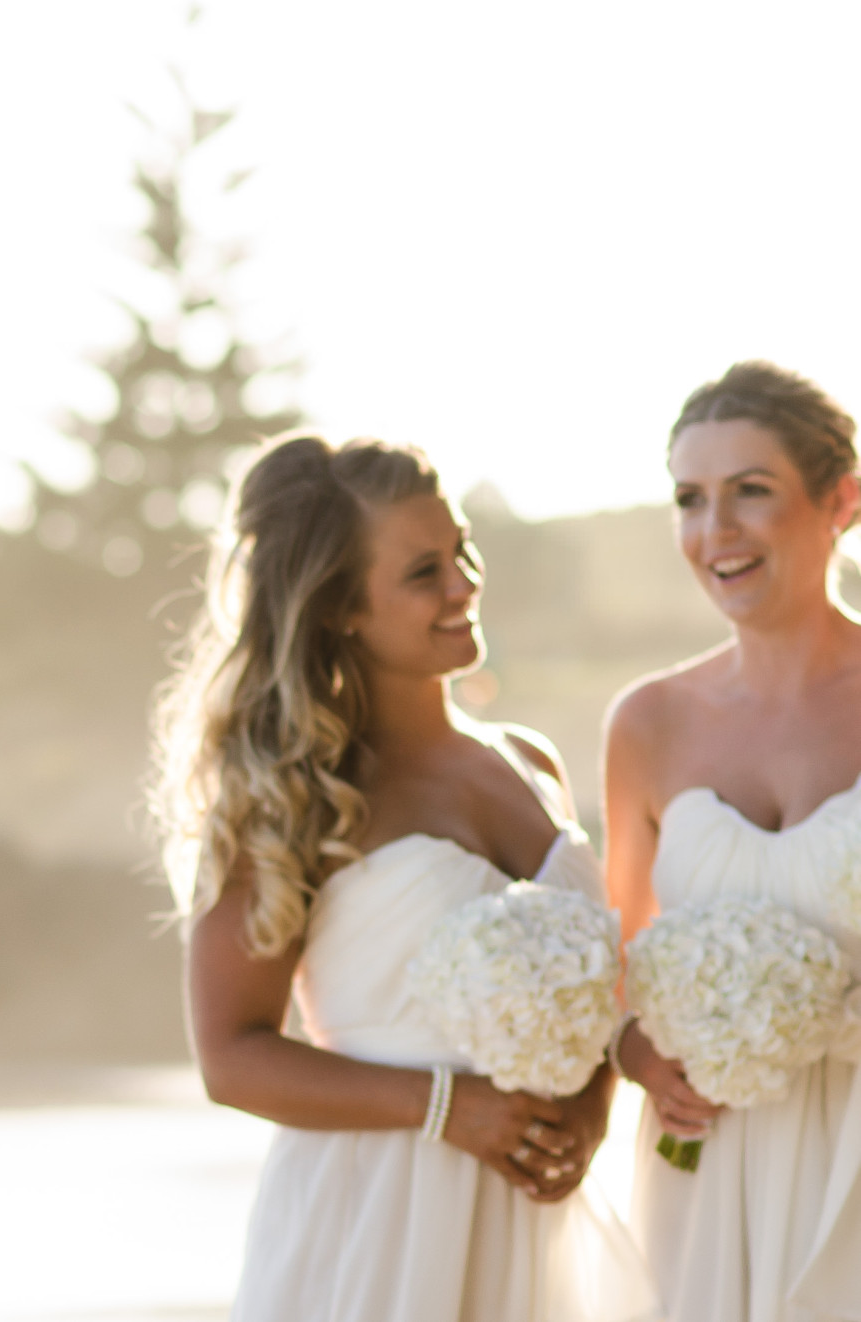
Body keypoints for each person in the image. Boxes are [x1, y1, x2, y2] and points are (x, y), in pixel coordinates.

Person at [154, 434, 657, 1322]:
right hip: (379, 1220)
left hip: (538, 1219)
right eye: (425, 571)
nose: (465, 583)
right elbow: (231, 1057)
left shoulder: (530, 761)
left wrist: (590, 1108)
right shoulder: (293, 791)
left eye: (461, 548)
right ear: (343, 605)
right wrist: (444, 1108)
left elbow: (596, 985)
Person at [604, 360, 861, 1320]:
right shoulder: (649, 723)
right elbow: (621, 963)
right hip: (706, 1159)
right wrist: (642, 1059)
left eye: (751, 493)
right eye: (690, 500)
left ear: (842, 500)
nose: (716, 532)